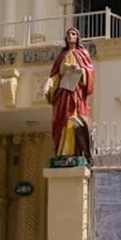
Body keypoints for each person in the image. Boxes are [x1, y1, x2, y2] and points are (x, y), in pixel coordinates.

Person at [44, 27, 95, 161]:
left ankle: (74, 152)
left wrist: (80, 71)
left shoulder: (83, 53)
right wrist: (50, 83)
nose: (70, 36)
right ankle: (62, 151)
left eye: (73, 34)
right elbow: (55, 74)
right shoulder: (62, 55)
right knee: (62, 120)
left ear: (78, 37)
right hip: (63, 93)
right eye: (68, 34)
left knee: (74, 121)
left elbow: (90, 72)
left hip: (76, 92)